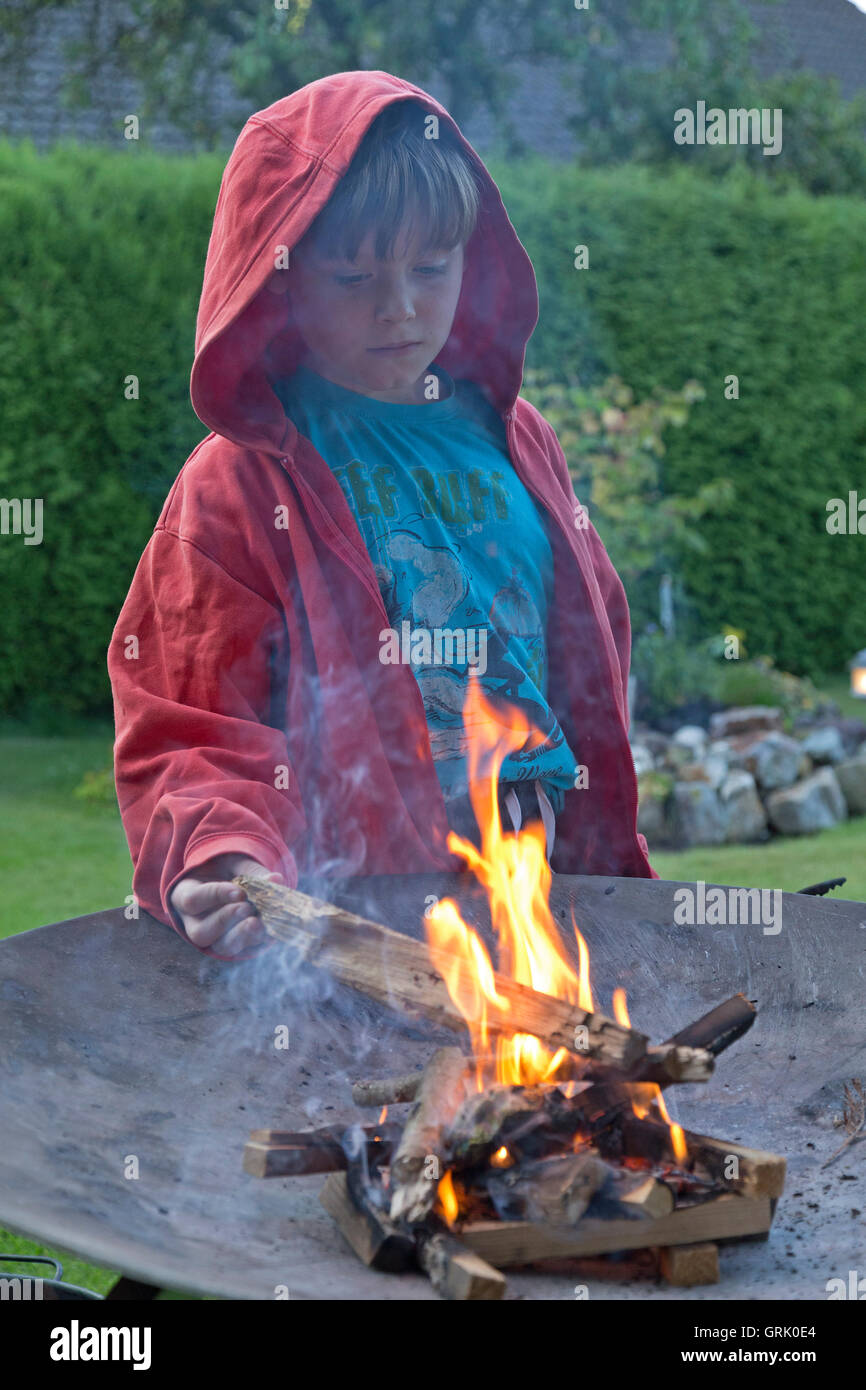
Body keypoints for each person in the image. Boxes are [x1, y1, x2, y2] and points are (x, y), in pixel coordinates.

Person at [108, 70, 656, 964]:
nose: (400, 306)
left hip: (537, 898)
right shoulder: (238, 484)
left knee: (546, 1104)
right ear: (279, 280)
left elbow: (589, 647)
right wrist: (222, 852)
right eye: (356, 275)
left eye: (431, 268)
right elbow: (191, 714)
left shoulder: (522, 442)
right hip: (353, 929)